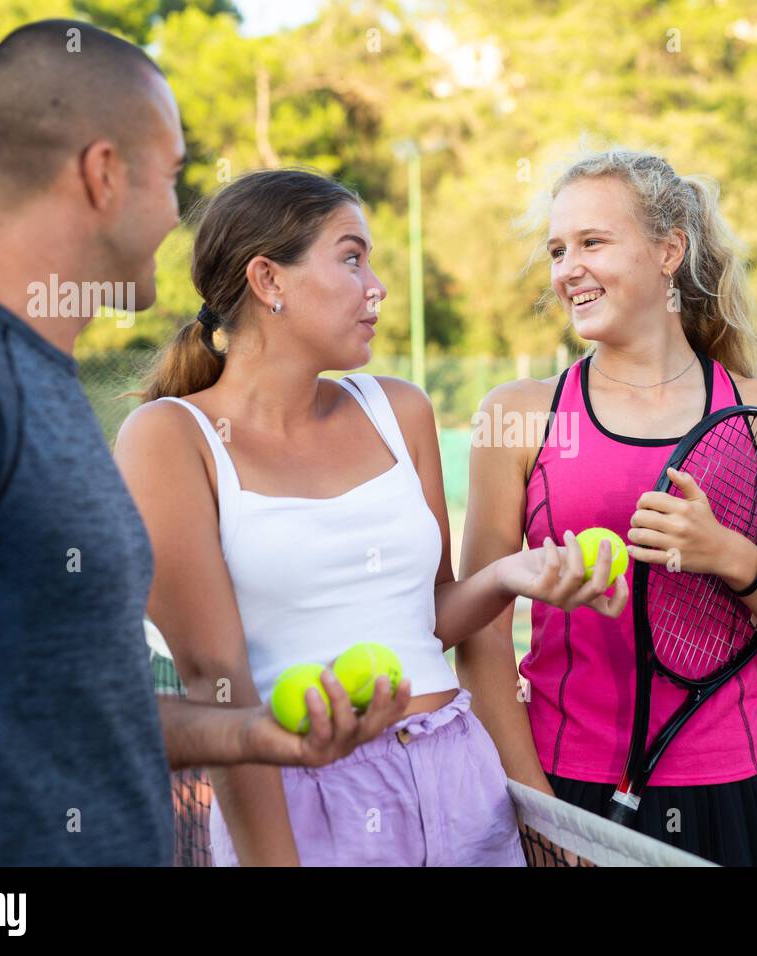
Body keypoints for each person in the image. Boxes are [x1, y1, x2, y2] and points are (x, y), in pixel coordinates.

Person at [0, 20, 410, 868]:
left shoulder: (47, 385)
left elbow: (83, 703)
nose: (174, 212)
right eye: (169, 177)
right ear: (104, 174)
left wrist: (263, 735)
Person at [114, 167, 627, 867]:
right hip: (301, 803)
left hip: (460, 779)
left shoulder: (401, 409)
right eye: (352, 257)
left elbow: (430, 617)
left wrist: (510, 574)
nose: (376, 286)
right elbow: (214, 684)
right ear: (269, 282)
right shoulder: (169, 436)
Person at [455, 149, 757, 866]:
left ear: (670, 250)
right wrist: (541, 814)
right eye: (557, 249)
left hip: (736, 792)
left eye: (592, 242)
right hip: (565, 790)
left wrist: (730, 557)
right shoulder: (517, 415)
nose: (567, 268)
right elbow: (478, 639)